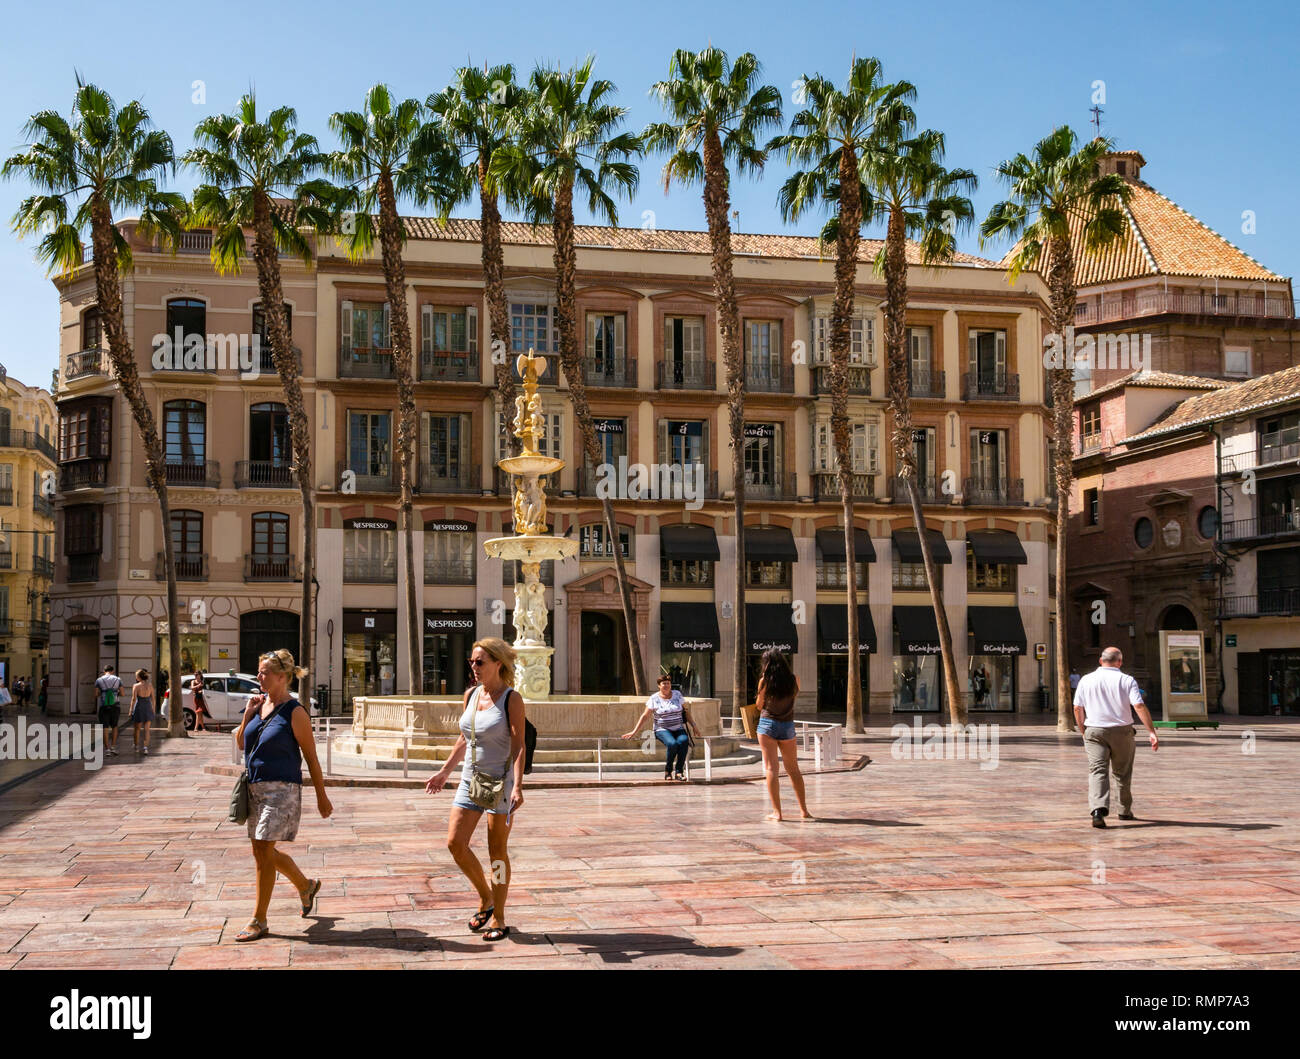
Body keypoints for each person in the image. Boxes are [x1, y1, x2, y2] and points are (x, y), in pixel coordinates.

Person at [424, 638, 525, 943]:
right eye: (472, 661)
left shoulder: (511, 699)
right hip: (471, 779)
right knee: (455, 843)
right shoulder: (471, 694)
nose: (474, 667)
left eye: (480, 662)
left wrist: (518, 785)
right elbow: (464, 738)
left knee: (497, 853)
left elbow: (520, 746)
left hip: (499, 780)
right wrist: (445, 771)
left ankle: (500, 917)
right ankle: (486, 897)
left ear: (498, 664)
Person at [232, 649, 332, 942]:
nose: (259, 676)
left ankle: (259, 919)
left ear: (282, 676)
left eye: (264, 672)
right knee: (261, 852)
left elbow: (312, 758)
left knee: (263, 852)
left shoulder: (295, 712)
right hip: (254, 788)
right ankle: (305, 885)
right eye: (259, 671)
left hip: (282, 790)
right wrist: (248, 715)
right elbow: (241, 743)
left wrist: (322, 797)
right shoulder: (258, 705)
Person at [1073, 646, 1159, 828]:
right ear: (1120, 662)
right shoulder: (1127, 680)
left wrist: (1083, 730)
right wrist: (1151, 731)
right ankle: (1124, 811)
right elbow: (1139, 706)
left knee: (1097, 771)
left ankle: (1098, 810)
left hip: (1094, 730)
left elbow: (1077, 708)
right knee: (1122, 773)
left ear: (1100, 660)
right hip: (1122, 731)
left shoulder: (1086, 680)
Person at [755, 649, 811, 822]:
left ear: (767, 665)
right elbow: (793, 699)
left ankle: (777, 813)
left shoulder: (764, 682)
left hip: (767, 725)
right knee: (793, 769)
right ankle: (804, 810)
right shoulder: (794, 680)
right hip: (787, 725)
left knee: (771, 768)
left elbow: (759, 705)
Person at [622, 674, 701, 781]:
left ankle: (679, 772)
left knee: (684, 742)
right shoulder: (654, 698)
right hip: (662, 729)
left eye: (668, 683)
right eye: (664, 684)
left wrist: (694, 726)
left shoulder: (677, 694)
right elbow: (645, 716)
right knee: (672, 744)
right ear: (659, 685)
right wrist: (634, 731)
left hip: (678, 728)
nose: (667, 685)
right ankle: (668, 771)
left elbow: (686, 712)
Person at [94, 665, 123, 757]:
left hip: (104, 706)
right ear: (113, 671)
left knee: (105, 727)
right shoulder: (118, 679)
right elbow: (122, 693)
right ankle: (113, 747)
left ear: (104, 671)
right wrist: (115, 693)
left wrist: (103, 693)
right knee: (115, 726)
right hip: (115, 706)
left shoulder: (99, 680)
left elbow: (96, 694)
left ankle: (107, 749)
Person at [128, 668, 155, 755]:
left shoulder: (136, 686)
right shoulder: (150, 685)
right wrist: (153, 709)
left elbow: (133, 699)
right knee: (147, 730)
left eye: (136, 676)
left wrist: (130, 710)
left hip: (139, 707)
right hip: (148, 707)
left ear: (139, 677)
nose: (136, 678)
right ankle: (145, 748)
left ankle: (136, 747)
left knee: (137, 729)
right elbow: (153, 699)